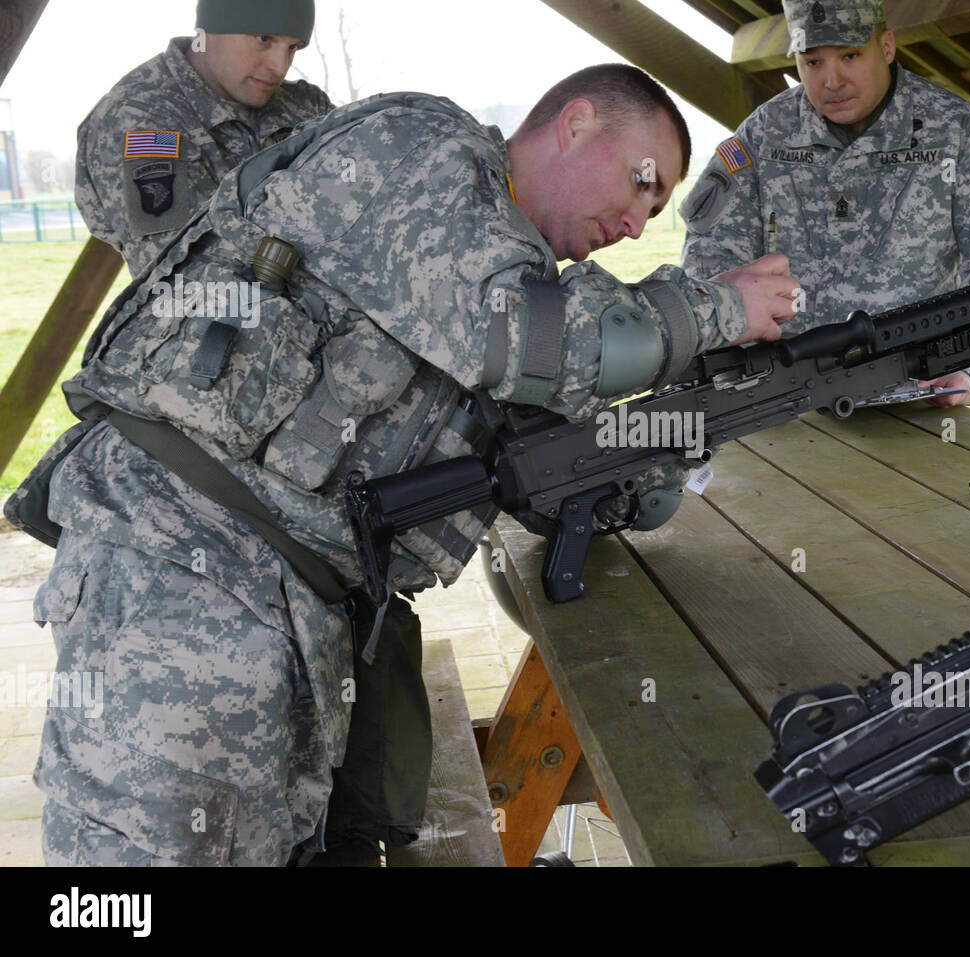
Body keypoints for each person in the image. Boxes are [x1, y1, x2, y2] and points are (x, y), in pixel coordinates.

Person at [8, 64, 799, 866]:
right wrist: (720, 305)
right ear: (578, 120)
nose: (636, 223)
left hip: (282, 603)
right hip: (181, 572)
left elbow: (544, 464)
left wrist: (701, 426)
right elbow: (537, 342)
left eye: (656, 210)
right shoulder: (425, 149)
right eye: (641, 183)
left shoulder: (503, 267)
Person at [680, 0, 970, 406]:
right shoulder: (765, 134)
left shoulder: (954, 129)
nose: (831, 81)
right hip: (779, 393)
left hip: (914, 390)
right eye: (812, 61)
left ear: (887, 47)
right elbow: (712, 256)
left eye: (850, 56)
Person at [75, 0, 331, 278]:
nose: (280, 66)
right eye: (264, 39)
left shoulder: (307, 106)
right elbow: (191, 272)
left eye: (292, 47)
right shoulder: (141, 119)